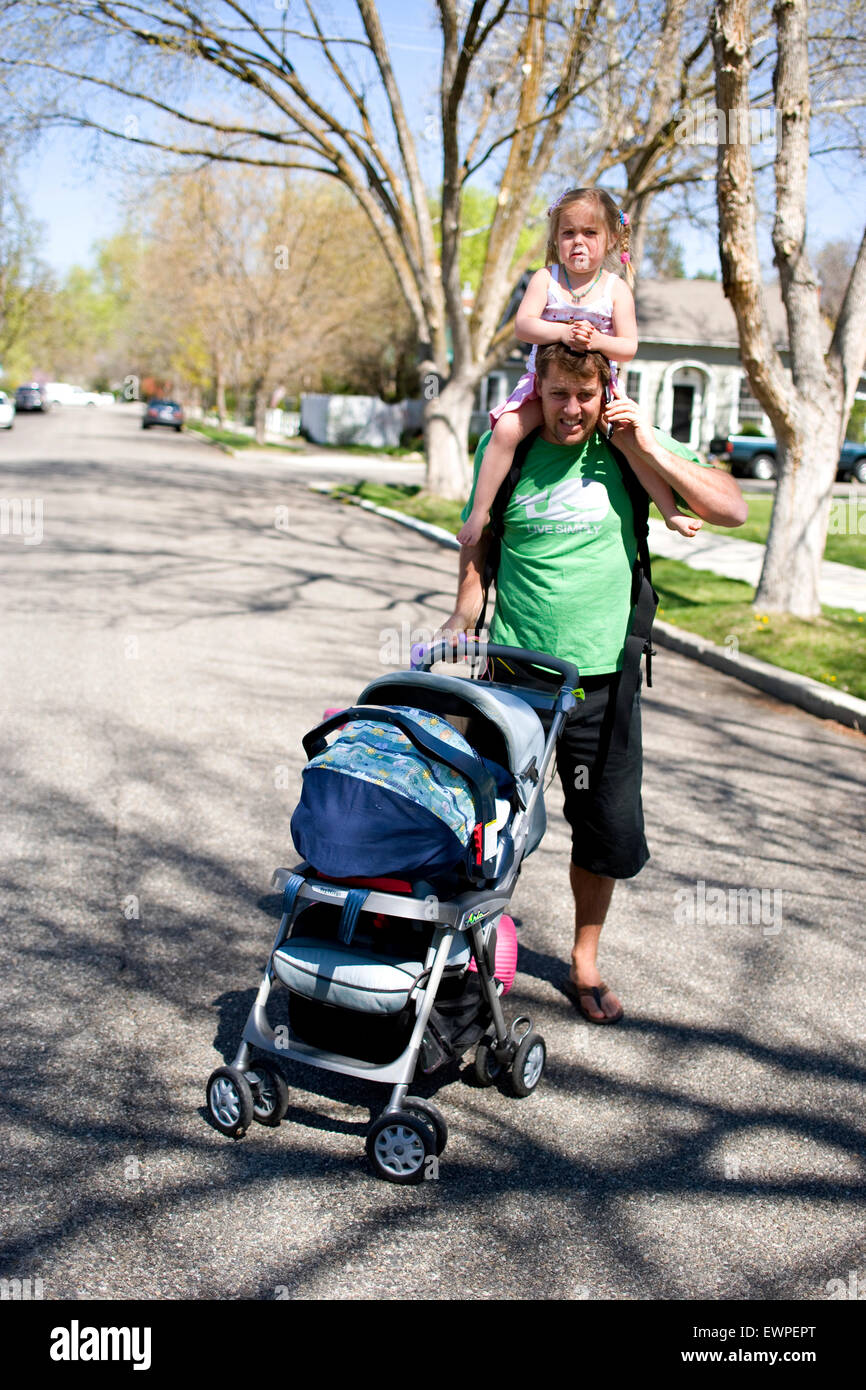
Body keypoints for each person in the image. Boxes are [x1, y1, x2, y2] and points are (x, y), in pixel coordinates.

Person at [441, 343, 746, 1022]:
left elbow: (732, 510)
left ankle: (583, 959)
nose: (572, 411)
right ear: (537, 391)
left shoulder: (631, 445)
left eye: (585, 396)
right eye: (558, 395)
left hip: (605, 677)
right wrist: (464, 609)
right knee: (485, 822)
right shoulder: (511, 448)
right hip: (514, 676)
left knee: (604, 828)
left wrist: (651, 447)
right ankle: (462, 950)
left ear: (604, 391)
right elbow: (478, 538)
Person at [456, 187, 700, 549]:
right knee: (506, 429)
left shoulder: (615, 290)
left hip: (596, 392)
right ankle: (481, 511)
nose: (578, 243)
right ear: (556, 238)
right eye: (568, 233)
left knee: (630, 441)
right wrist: (564, 332)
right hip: (543, 387)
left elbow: (628, 346)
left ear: (612, 239)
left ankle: (667, 509)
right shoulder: (547, 280)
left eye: (590, 233)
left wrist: (598, 341)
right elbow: (524, 325)